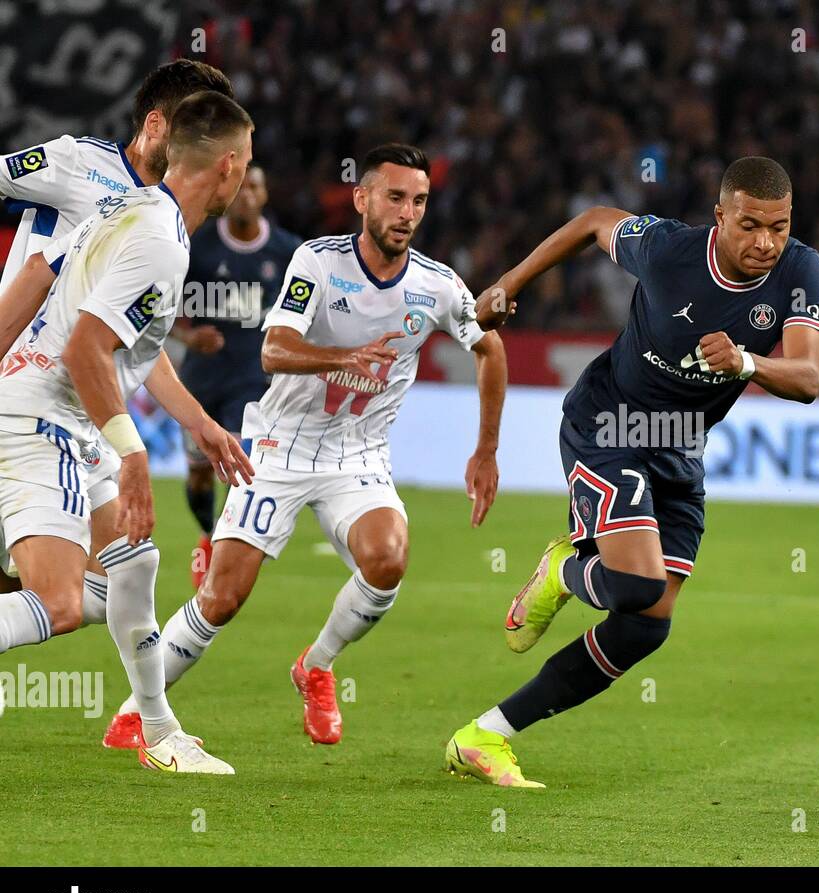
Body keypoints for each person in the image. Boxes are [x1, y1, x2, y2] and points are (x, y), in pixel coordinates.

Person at [104, 144, 508, 748]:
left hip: (358, 456)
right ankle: (138, 710)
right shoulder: (316, 263)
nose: (407, 212)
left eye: (419, 200)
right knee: (222, 597)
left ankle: (316, 666)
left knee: (388, 558)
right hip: (279, 448)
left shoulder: (437, 285)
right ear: (362, 198)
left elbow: (490, 349)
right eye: (395, 197)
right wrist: (344, 356)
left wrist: (485, 450)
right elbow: (275, 349)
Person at [444, 156, 819, 787]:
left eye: (780, 227)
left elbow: (810, 377)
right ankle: (562, 572)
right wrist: (507, 284)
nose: (766, 242)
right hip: (609, 426)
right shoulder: (671, 250)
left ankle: (485, 736)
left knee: (647, 627)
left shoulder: (800, 269)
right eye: (750, 225)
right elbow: (595, 222)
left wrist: (746, 364)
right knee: (636, 586)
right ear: (720, 218)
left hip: (680, 447)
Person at [0, 91, 256, 773]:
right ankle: (157, 728)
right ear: (227, 167)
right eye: (248, 161)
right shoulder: (159, 242)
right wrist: (134, 454)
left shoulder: (131, 210)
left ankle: (158, 731)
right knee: (55, 601)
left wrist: (198, 422)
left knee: (131, 566)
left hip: (55, 411)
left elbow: (40, 278)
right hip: (45, 418)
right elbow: (88, 348)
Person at [0, 58, 234, 617]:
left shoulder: (166, 221)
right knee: (61, 593)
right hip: (21, 390)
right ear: (156, 125)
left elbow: (118, 339)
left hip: (73, 414)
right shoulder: (78, 163)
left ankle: (149, 709)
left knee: (106, 583)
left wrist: (196, 420)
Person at [169, 165, 299, 587]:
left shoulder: (286, 253)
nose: (246, 194)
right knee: (200, 473)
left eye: (255, 187)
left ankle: (225, 548)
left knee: (240, 465)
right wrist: (188, 338)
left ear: (265, 196)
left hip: (255, 383)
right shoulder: (196, 245)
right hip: (201, 381)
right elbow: (156, 304)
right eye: (240, 186)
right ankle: (207, 536)